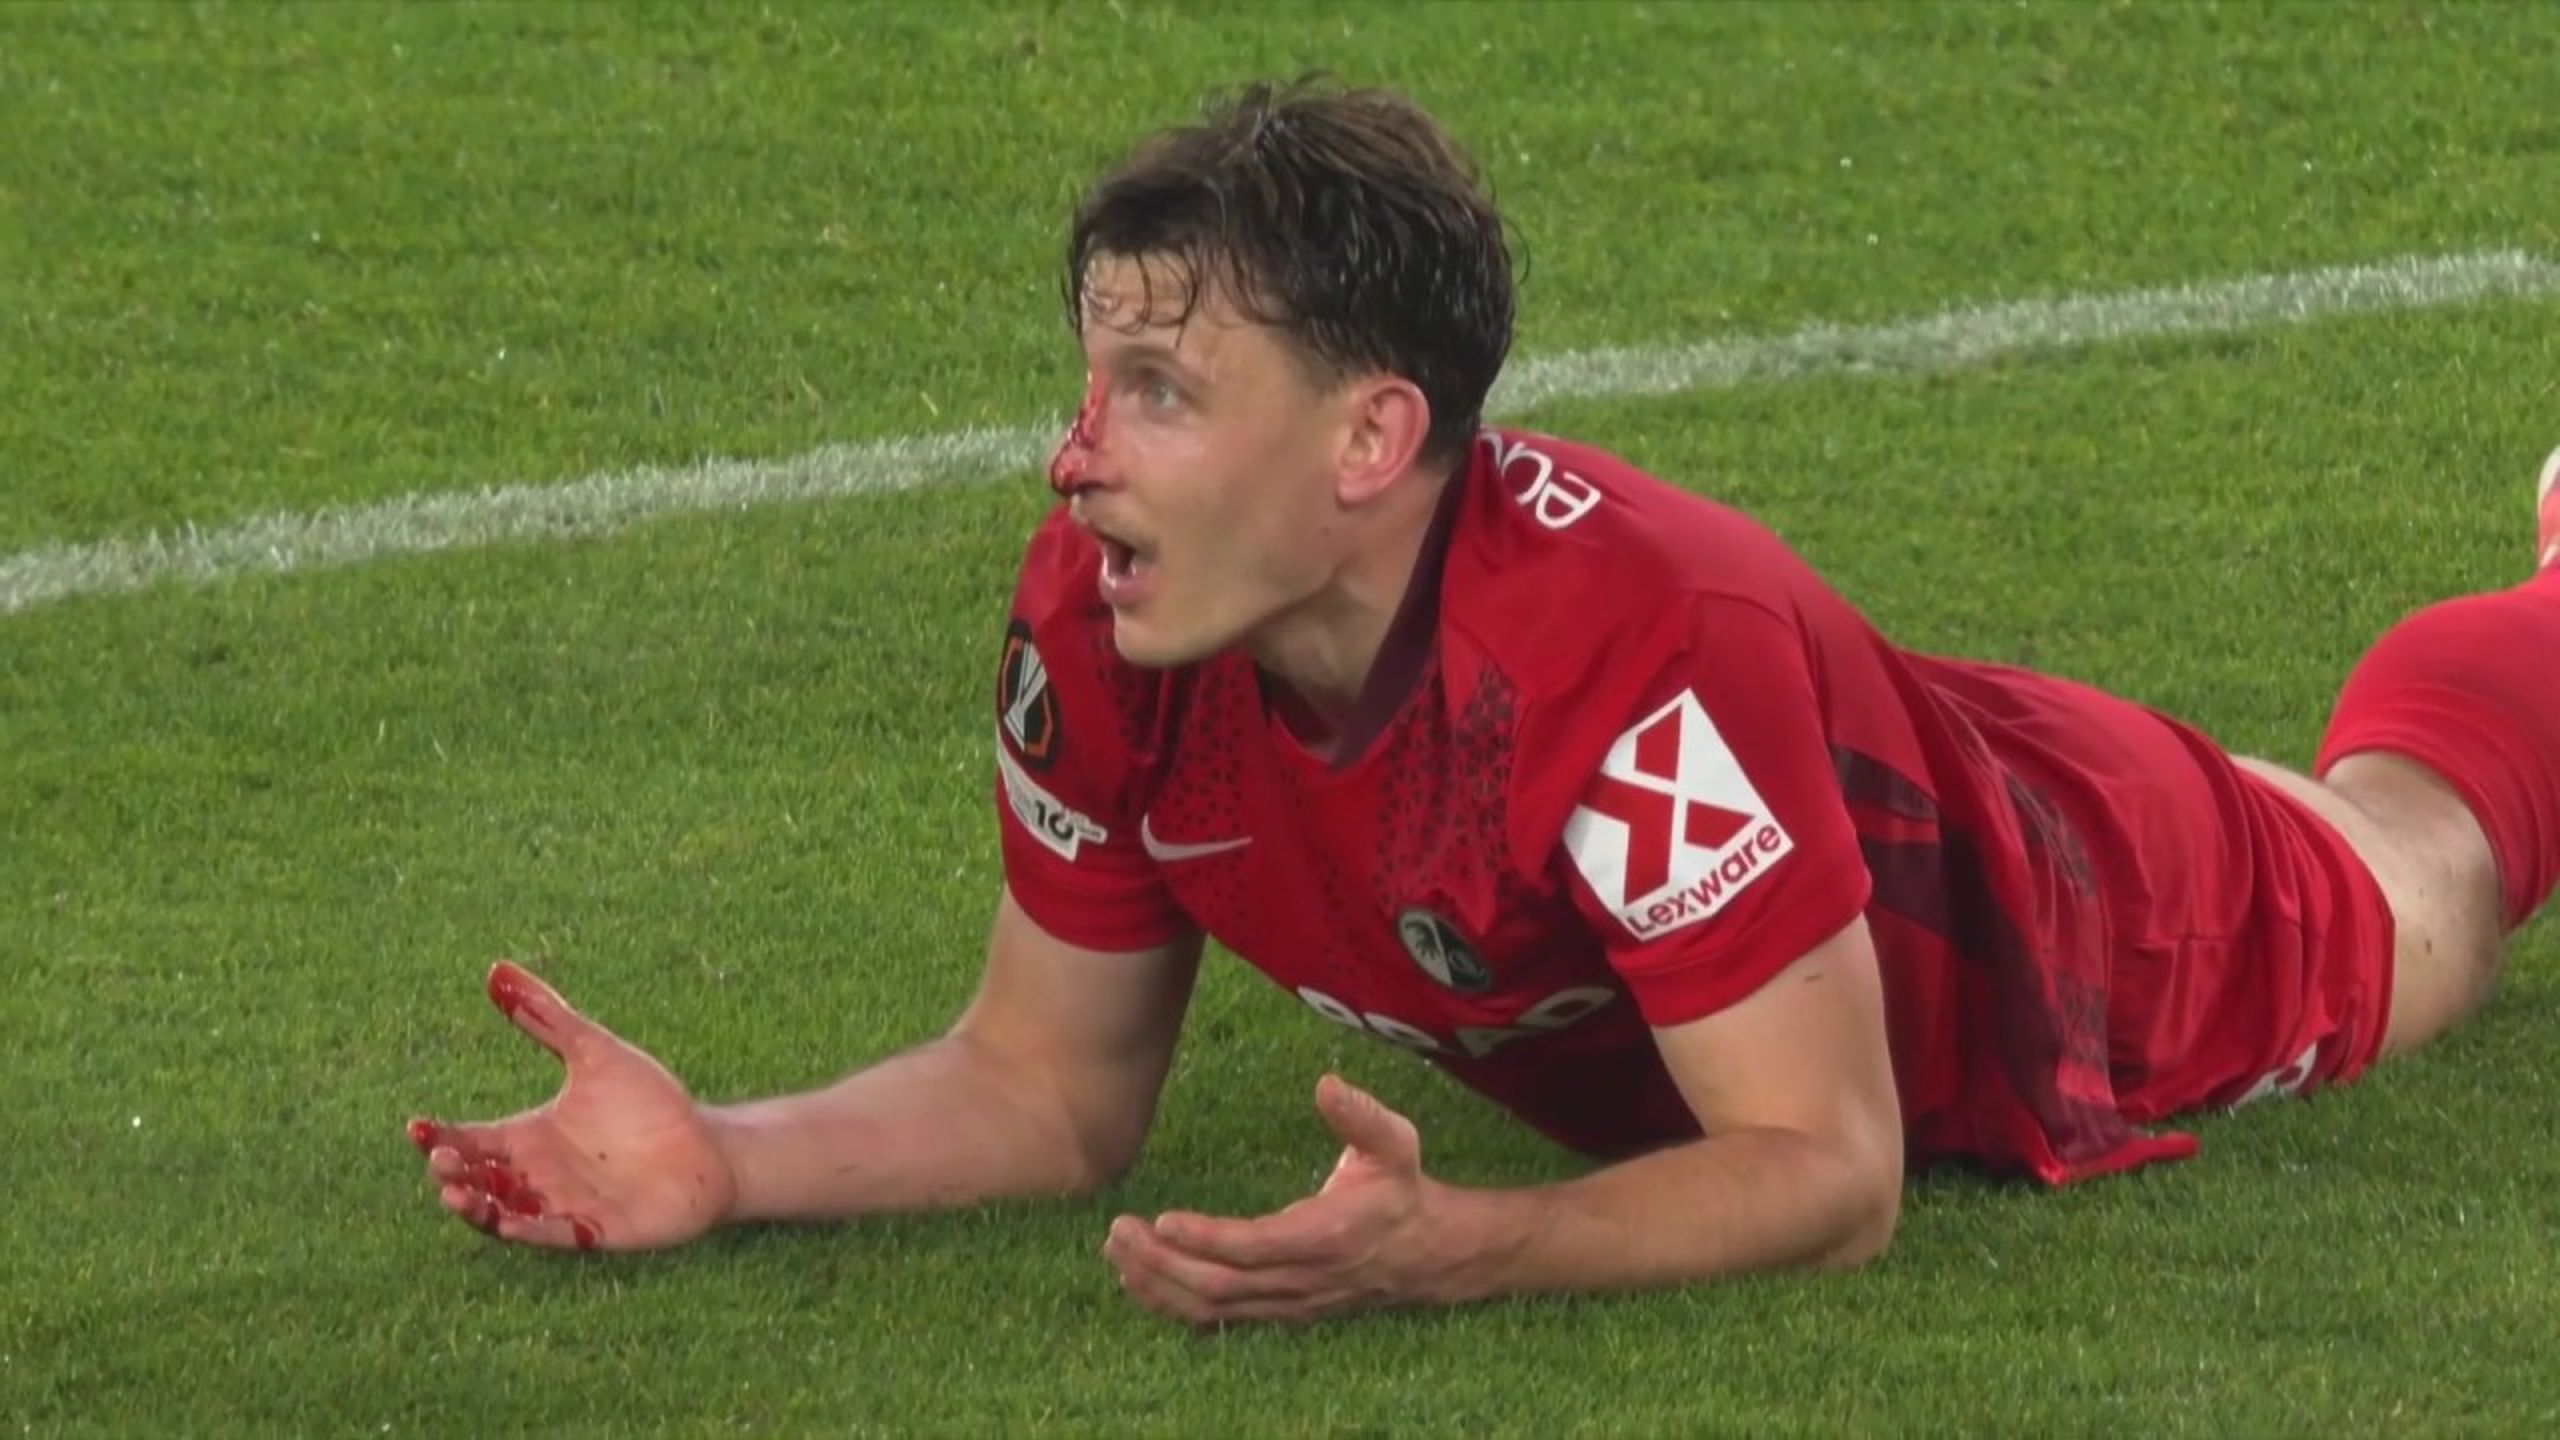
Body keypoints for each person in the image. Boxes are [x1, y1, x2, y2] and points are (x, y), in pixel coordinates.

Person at [407, 78, 2560, 1327]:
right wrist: (728, 1155)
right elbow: (1044, 1088)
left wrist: (1467, 1249)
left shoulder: (1621, 663)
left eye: (1159, 391)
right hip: (1860, 768)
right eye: (1089, 381)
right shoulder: (1109, 619)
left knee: (2420, 857)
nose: (1077, 455)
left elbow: (1826, 1169)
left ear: (1369, 440)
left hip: (2120, 910)